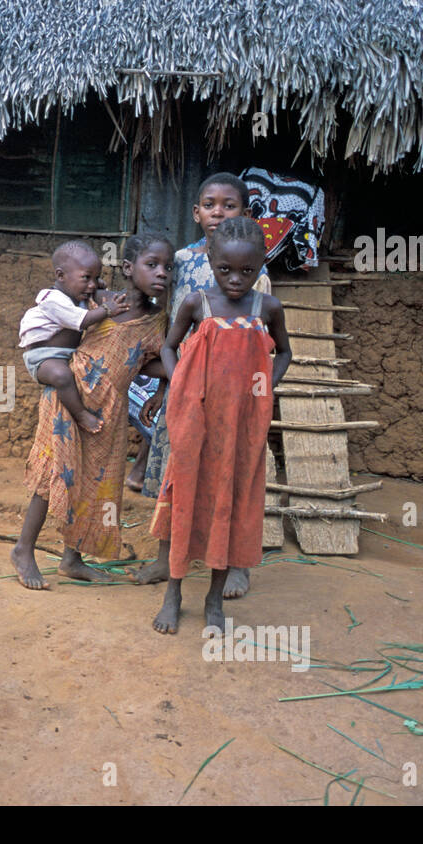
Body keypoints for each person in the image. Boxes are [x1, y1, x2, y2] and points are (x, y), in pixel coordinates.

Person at [149, 217, 291, 635]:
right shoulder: (197, 303)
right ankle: (173, 593)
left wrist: (264, 388)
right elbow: (168, 346)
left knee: (231, 501)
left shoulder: (267, 308)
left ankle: (214, 599)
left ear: (262, 265)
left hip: (242, 427)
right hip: (197, 422)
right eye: (225, 269)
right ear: (210, 260)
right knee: (186, 495)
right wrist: (180, 384)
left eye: (247, 271)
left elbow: (284, 354)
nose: (235, 279)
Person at [134, 172, 272, 599]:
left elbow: (265, 343)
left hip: (233, 396)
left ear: (244, 214)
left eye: (228, 205)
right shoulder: (180, 261)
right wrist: (169, 385)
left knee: (231, 475)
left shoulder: (256, 278)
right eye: (209, 204)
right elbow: (170, 327)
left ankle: (235, 566)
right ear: (196, 213)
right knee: (174, 473)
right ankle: (165, 557)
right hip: (186, 392)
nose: (218, 212)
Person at [10, 234, 172, 589]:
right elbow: (59, 316)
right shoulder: (99, 300)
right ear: (128, 269)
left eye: (167, 267)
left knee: (95, 482)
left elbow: (155, 361)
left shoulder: (158, 321)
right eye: (152, 265)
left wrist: (160, 392)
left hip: (109, 409)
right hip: (72, 396)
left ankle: (73, 558)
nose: (161, 273)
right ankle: (24, 548)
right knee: (52, 471)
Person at [18, 241, 130, 433]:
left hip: (65, 355)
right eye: (86, 278)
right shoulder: (52, 300)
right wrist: (107, 309)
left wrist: (93, 288)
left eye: (96, 278)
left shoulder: (78, 297)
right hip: (43, 358)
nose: (92, 284)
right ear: (60, 275)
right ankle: (81, 415)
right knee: (63, 377)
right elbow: (83, 321)